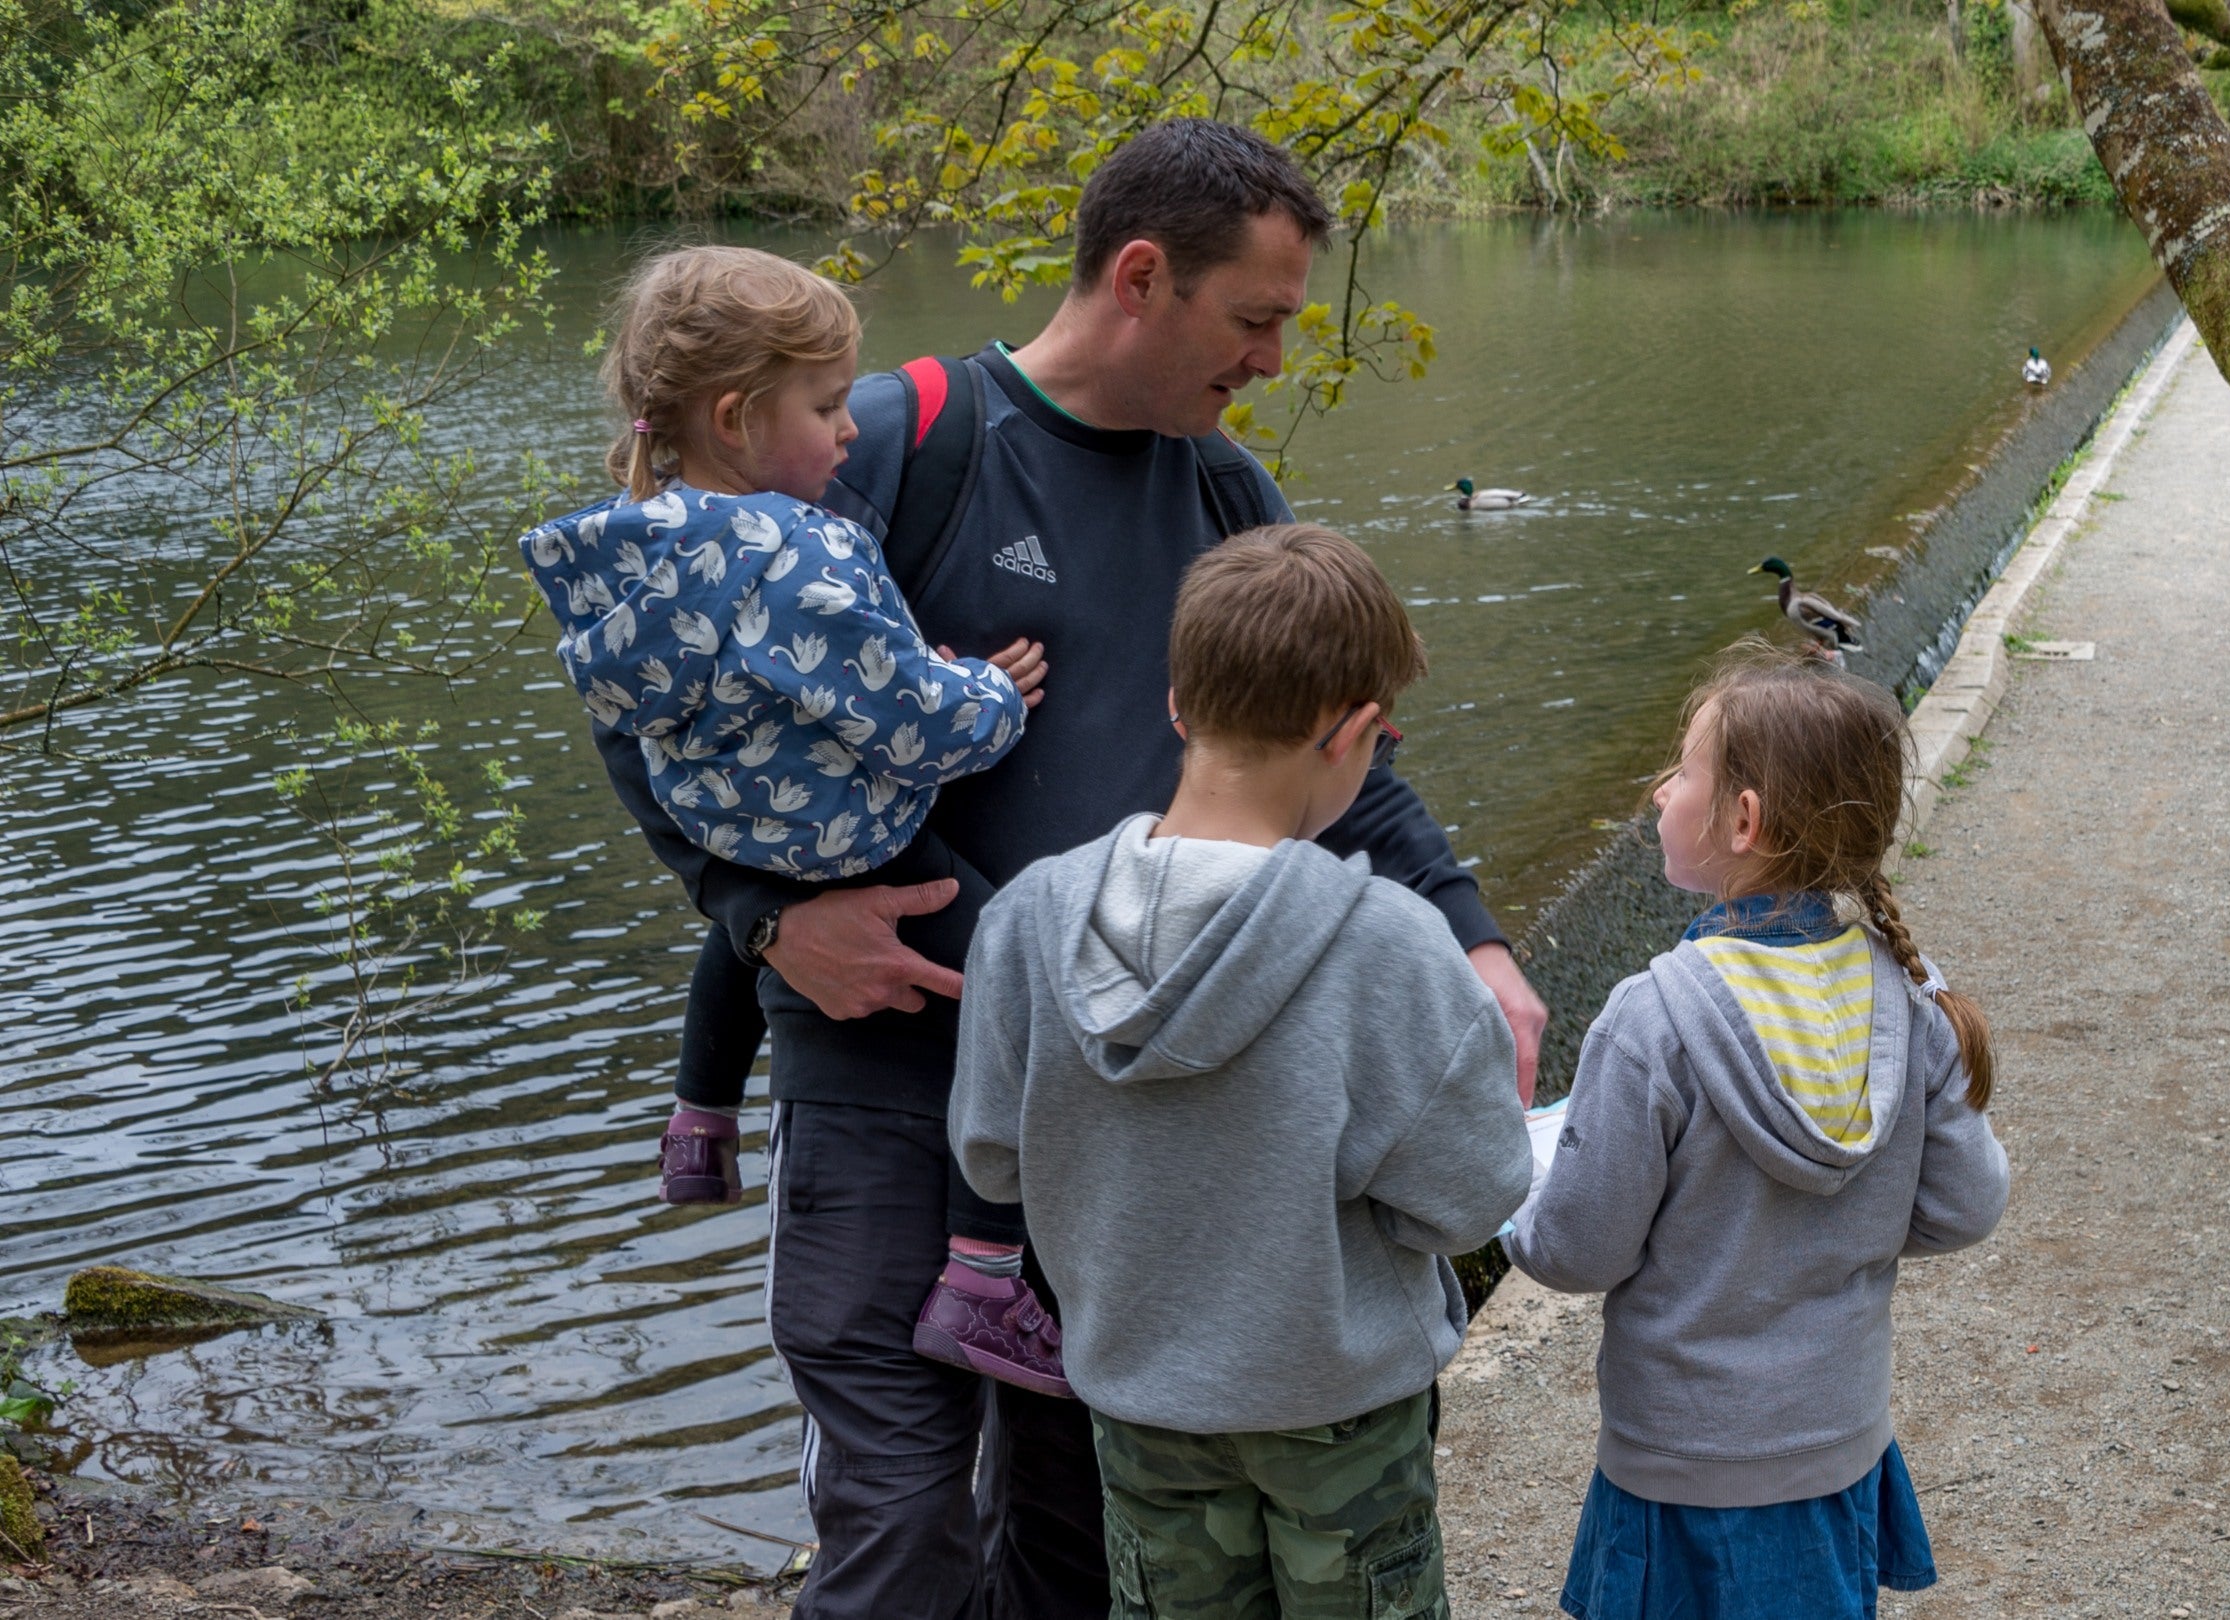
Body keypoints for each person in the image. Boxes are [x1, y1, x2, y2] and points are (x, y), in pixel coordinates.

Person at [579, 119, 1548, 1620]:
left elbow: (1341, 759)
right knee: (900, 1534)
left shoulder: (1225, 498)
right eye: (1257, 320)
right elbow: (666, 705)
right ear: (1144, 278)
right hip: (884, 1092)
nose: (1276, 360)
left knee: (1086, 1538)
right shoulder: (891, 443)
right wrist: (761, 916)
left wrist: (1472, 936)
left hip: (1112, 1135)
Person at [518, 244, 1077, 1400]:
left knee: (732, 937)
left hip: (740, 842)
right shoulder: (798, 547)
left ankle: (699, 1122)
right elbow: (912, 722)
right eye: (825, 407)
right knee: (1019, 999)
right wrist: (993, 698)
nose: (852, 431)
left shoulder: (627, 549)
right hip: (856, 839)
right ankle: (983, 1274)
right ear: (735, 417)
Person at [951, 523, 1533, 1620]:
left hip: (1141, 1404)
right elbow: (1472, 1197)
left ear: (1179, 705)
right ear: (1355, 733)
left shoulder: (1027, 920)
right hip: (1341, 1410)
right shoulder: (1390, 943)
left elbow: (991, 1156)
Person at [1503, 639, 2011, 1620]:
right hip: (1835, 1448)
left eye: (1681, 772)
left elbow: (1576, 1249)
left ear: (1744, 819)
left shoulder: (1652, 1021)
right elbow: (1967, 1204)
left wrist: (1512, 1197)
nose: (1659, 792)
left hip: (1683, 1471)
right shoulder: (1906, 999)